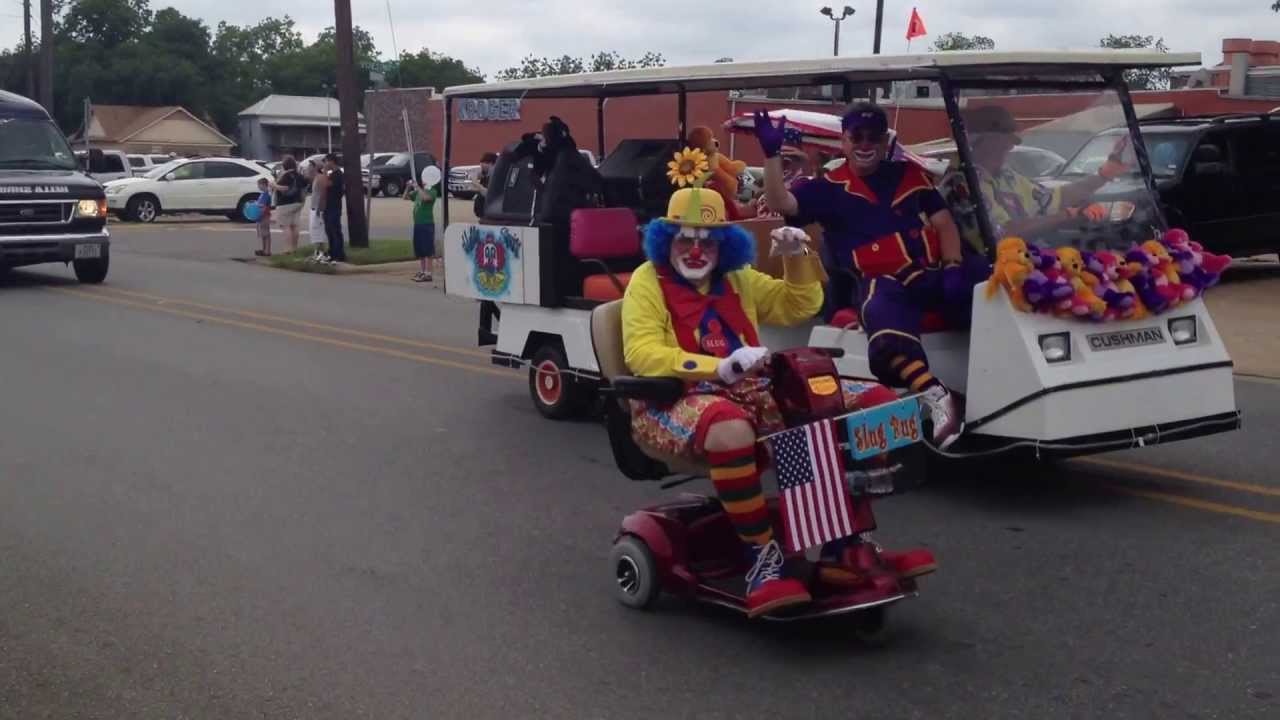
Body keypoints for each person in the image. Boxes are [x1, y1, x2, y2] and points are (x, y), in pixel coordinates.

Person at [622, 180, 936, 618]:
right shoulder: (646, 281)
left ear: (724, 244)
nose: (695, 250)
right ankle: (760, 560)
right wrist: (720, 367)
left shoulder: (737, 278)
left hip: (752, 392)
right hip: (674, 398)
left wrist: (797, 260)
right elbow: (642, 354)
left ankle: (846, 544)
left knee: (874, 401)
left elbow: (798, 306)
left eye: (707, 240)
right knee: (731, 428)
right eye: (684, 237)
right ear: (666, 239)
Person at [755, 103, 982, 450]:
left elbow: (944, 223)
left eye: (872, 137)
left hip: (936, 272)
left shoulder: (907, 176)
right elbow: (780, 202)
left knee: (992, 285)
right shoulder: (827, 188)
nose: (864, 144)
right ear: (843, 143)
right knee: (880, 315)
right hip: (886, 283)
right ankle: (936, 395)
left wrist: (952, 266)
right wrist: (771, 156)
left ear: (884, 140)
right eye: (856, 136)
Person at [944, 105, 1130, 251]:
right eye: (1003, 141)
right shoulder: (962, 183)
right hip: (992, 272)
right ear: (981, 141)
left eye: (1009, 142)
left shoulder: (1006, 176)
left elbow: (1053, 198)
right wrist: (1067, 215)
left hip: (1027, 258)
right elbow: (1002, 234)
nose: (1008, 148)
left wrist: (1103, 175)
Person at [404, 177, 438, 282]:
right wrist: (408, 187)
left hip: (427, 223)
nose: (423, 180)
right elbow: (405, 197)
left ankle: (428, 273)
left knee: (428, 249)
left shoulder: (432, 191)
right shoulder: (418, 192)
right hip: (418, 223)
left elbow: (426, 198)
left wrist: (417, 187)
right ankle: (423, 271)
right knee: (420, 250)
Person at [271, 156, 305, 252]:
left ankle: (288, 249)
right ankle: (294, 248)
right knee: (295, 226)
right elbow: (303, 189)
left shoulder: (286, 176)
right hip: (298, 203)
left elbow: (285, 188)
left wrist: (274, 185)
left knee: (286, 226)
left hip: (285, 204)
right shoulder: (299, 175)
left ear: (285, 165)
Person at [319, 154, 346, 263]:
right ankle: (332, 251)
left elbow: (325, 184)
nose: (325, 164)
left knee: (335, 230)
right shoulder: (332, 174)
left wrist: (324, 171)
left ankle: (339, 254)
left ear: (332, 161)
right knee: (329, 230)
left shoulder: (338, 174)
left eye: (326, 161)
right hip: (328, 206)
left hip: (334, 206)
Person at [305, 158, 330, 263]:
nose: (308, 168)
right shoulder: (315, 178)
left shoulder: (319, 178)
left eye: (310, 166)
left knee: (318, 232)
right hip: (314, 208)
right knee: (316, 232)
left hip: (318, 210)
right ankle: (320, 253)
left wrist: (320, 209)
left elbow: (323, 195)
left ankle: (319, 254)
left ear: (315, 167)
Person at [472, 151, 497, 218]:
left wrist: (476, 183)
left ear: (491, 164)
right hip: (483, 214)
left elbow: (489, 194)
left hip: (489, 214)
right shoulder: (486, 175)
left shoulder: (495, 177)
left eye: (484, 163)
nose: (481, 165)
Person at [253, 177, 273, 257]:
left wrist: (257, 206)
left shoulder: (266, 194)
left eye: (259, 185)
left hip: (264, 215)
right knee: (263, 234)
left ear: (264, 185)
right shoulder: (262, 194)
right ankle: (264, 249)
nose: (258, 186)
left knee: (266, 233)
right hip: (260, 216)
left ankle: (267, 250)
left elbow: (263, 206)